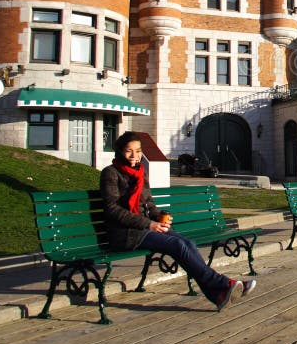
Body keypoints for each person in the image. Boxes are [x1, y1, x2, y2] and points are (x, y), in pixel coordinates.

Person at [100, 131, 255, 311]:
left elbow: (148, 203)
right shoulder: (110, 173)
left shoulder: (140, 173)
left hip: (144, 228)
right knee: (177, 245)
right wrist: (149, 224)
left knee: (187, 243)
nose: (134, 156)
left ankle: (218, 294)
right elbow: (112, 209)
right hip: (125, 233)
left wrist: (158, 217)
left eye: (138, 151)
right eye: (129, 151)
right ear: (119, 152)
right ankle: (223, 284)